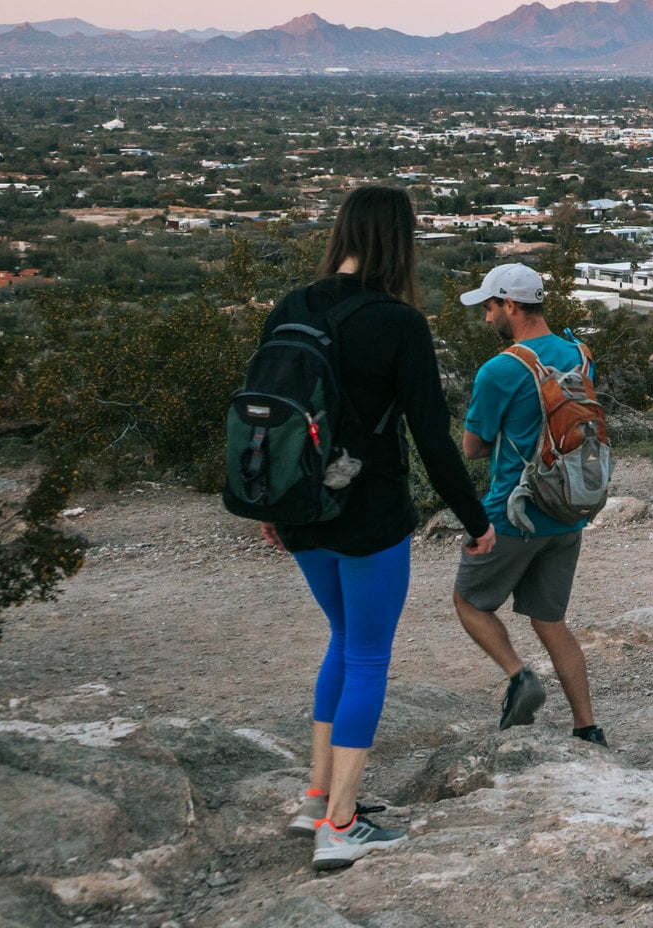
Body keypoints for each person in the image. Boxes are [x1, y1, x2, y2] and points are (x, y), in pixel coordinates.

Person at [257, 185, 494, 872]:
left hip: (300, 509)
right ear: (403, 239)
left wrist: (274, 506)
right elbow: (434, 439)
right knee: (366, 657)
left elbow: (271, 415)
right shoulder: (398, 323)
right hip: (370, 514)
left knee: (343, 641)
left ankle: (316, 796)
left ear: (343, 233)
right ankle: (340, 824)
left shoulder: (292, 306)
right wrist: (474, 520)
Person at [451, 262, 604, 745]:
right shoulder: (580, 354)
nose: (486, 317)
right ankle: (587, 727)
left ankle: (519, 676)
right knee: (550, 620)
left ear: (510, 306)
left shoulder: (500, 369)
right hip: (568, 508)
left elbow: (473, 448)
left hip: (512, 513)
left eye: (490, 307)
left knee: (470, 602)